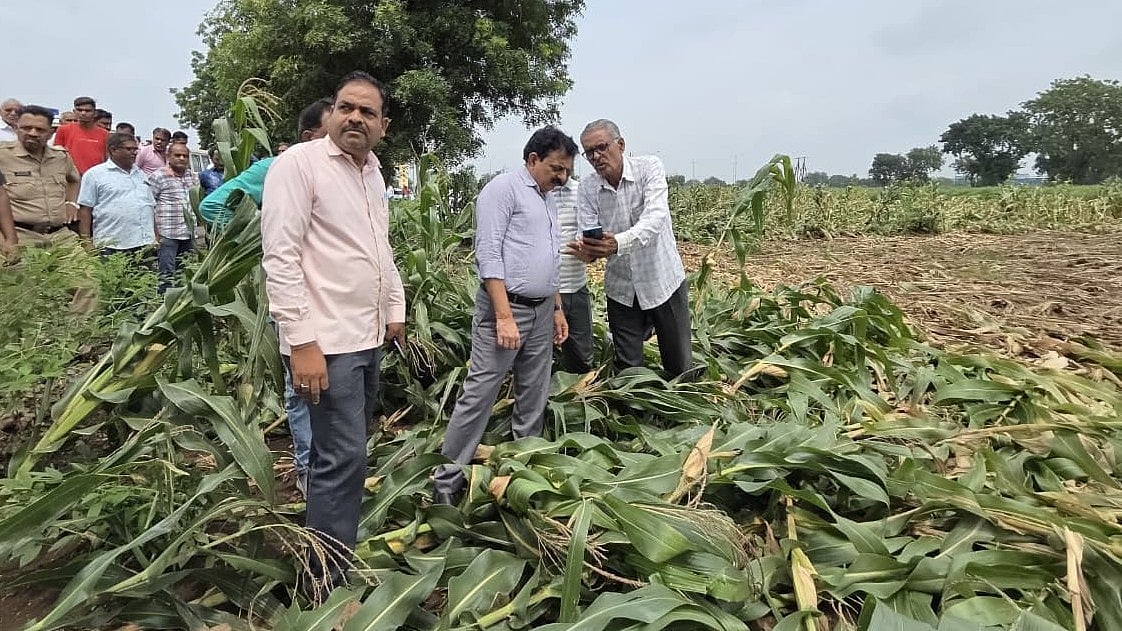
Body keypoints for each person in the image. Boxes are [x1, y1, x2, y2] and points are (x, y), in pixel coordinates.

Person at [261, 72, 402, 591]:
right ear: (332, 112)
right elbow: (281, 256)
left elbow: (378, 248)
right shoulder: (299, 166)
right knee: (343, 457)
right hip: (326, 343)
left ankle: (328, 556)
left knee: (337, 455)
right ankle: (323, 578)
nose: (355, 119)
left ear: (382, 126)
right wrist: (301, 341)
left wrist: (394, 308)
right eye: (347, 107)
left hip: (364, 337)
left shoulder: (372, 173)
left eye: (368, 113)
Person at [434, 126, 576, 506]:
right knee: (480, 392)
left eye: (566, 171)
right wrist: (502, 316)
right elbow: (489, 255)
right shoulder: (503, 190)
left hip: (542, 309)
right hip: (507, 308)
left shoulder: (547, 198)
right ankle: (447, 480)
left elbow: (550, 258)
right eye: (556, 168)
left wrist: (558, 309)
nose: (562, 177)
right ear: (533, 160)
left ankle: (519, 469)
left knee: (534, 393)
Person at [575, 119, 692, 377]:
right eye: (589, 152)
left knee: (679, 365)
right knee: (628, 370)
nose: (596, 156)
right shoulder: (587, 188)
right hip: (622, 288)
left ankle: (679, 411)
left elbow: (655, 218)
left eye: (602, 147)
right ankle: (638, 410)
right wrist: (589, 250)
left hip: (662, 281)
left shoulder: (648, 168)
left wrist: (617, 243)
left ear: (621, 144)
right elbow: (587, 229)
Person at [200, 98, 332, 229]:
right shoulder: (275, 168)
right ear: (308, 137)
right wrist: (261, 234)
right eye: (332, 134)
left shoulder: (342, 173)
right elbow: (211, 206)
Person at [0, 105, 81, 249]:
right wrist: (8, 238)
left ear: (50, 133)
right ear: (16, 128)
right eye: (26, 128)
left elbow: (74, 179)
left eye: (40, 130)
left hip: (60, 236)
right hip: (19, 236)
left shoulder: (60, 156)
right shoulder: (3, 155)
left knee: (89, 271)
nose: (32, 133)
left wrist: (71, 204)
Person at [77, 132, 155, 257]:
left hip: (144, 244)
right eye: (129, 149)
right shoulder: (95, 175)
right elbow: (85, 210)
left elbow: (150, 206)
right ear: (113, 150)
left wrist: (155, 236)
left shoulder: (140, 174)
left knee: (145, 276)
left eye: (136, 149)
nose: (134, 153)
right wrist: (86, 242)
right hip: (111, 245)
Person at [553, 176, 595, 373]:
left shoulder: (583, 192)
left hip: (577, 286)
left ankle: (581, 394)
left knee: (581, 354)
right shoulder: (537, 194)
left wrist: (591, 252)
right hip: (546, 292)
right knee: (540, 354)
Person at [148, 142, 198, 293]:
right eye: (177, 155)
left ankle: (182, 303)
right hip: (167, 234)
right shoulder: (158, 177)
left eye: (185, 156)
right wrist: (155, 234)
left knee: (185, 271)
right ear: (168, 156)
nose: (182, 158)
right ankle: (164, 305)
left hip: (188, 233)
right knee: (167, 273)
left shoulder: (193, 177)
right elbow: (149, 205)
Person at [52, 97, 109, 175]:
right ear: (74, 111)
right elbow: (56, 155)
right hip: (69, 177)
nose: (83, 113)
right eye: (80, 110)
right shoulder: (63, 130)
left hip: (95, 177)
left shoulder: (104, 134)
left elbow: (107, 159)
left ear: (94, 113)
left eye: (87, 111)